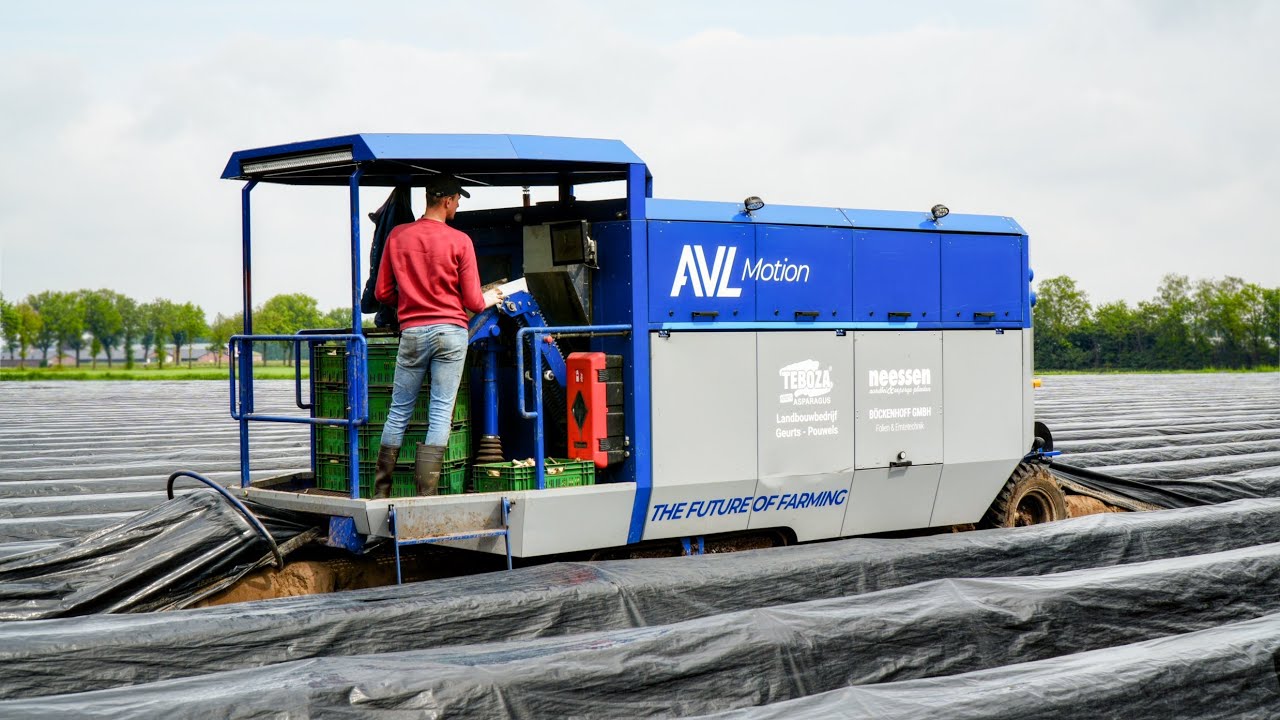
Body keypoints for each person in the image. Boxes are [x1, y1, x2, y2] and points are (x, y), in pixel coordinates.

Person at [372, 174, 484, 498]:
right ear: (447, 200)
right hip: (451, 332)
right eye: (458, 200)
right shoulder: (460, 241)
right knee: (439, 413)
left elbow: (382, 292)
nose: (458, 205)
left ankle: (380, 493)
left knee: (398, 411)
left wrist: (410, 299)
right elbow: (475, 302)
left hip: (412, 331)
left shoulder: (397, 235)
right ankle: (425, 496)